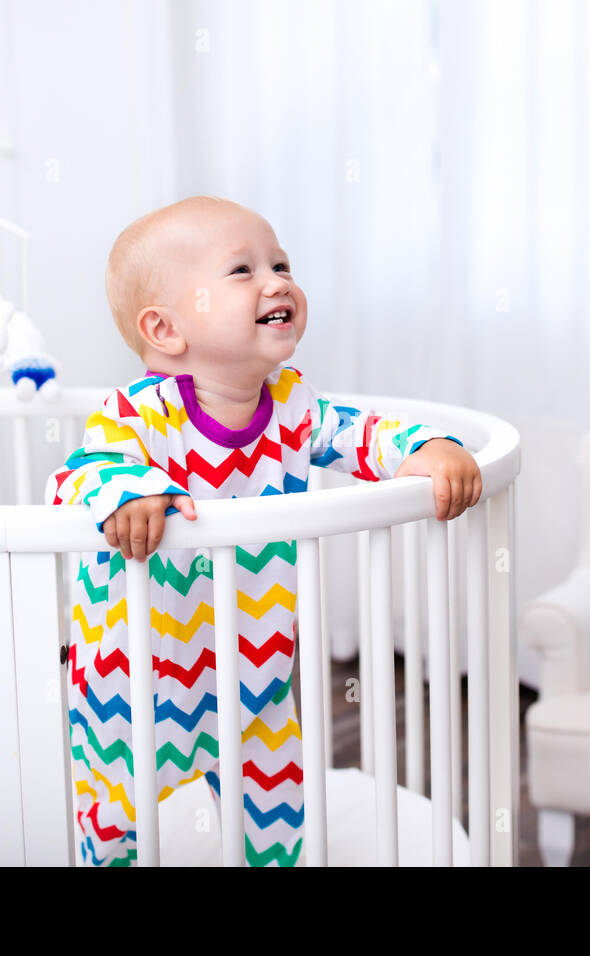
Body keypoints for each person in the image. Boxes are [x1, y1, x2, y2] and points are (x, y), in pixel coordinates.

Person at [44, 195, 482, 866]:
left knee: (277, 814)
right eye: (241, 271)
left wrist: (425, 448)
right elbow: (84, 470)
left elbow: (361, 432)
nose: (277, 281)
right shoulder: (138, 416)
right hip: (133, 677)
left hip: (257, 671)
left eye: (280, 263)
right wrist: (129, 491)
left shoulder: (294, 407)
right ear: (164, 329)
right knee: (114, 820)